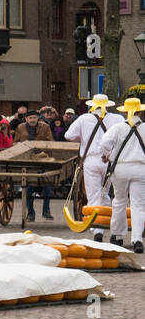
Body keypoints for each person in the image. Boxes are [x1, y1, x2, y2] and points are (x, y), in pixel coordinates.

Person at [65, 94, 124, 237]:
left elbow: (68, 135)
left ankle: (97, 230)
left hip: (91, 159)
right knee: (105, 193)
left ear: (92, 106)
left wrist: (84, 137)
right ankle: (109, 224)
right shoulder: (118, 119)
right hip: (109, 160)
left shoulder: (84, 118)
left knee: (93, 195)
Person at [99, 96, 145, 253]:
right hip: (141, 169)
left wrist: (106, 155)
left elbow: (104, 143)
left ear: (126, 113)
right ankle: (137, 239)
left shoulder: (118, 128)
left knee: (119, 201)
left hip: (120, 168)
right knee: (138, 205)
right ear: (140, 112)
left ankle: (116, 236)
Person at [14, 110, 54, 220]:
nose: (32, 120)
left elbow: (51, 142)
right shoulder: (20, 127)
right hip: (27, 160)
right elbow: (15, 142)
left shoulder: (45, 127)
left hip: (43, 159)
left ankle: (46, 210)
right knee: (29, 186)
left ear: (38, 118)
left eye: (34, 118)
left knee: (47, 185)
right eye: (30, 118)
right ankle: (30, 213)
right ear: (26, 119)